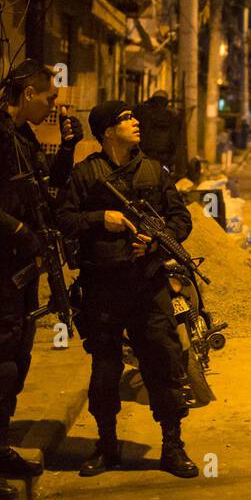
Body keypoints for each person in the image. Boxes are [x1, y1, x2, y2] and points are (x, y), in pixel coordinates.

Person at [0, 60, 83, 500]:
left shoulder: (19, 135)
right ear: (28, 93)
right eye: (49, 97)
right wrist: (18, 231)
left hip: (19, 266)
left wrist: (67, 148)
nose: (53, 107)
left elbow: (45, 188)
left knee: (17, 358)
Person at [56, 100, 199, 479]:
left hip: (147, 283)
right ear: (106, 132)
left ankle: (173, 445)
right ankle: (106, 445)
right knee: (104, 369)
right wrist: (100, 218)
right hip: (102, 285)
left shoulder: (153, 170)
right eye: (125, 119)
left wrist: (155, 239)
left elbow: (180, 218)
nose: (135, 122)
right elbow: (63, 219)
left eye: (134, 117)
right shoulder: (86, 175)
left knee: (164, 361)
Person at [132, 90, 188, 177]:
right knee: (163, 179)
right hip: (164, 157)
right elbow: (176, 140)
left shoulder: (141, 111)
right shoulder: (173, 115)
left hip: (144, 155)